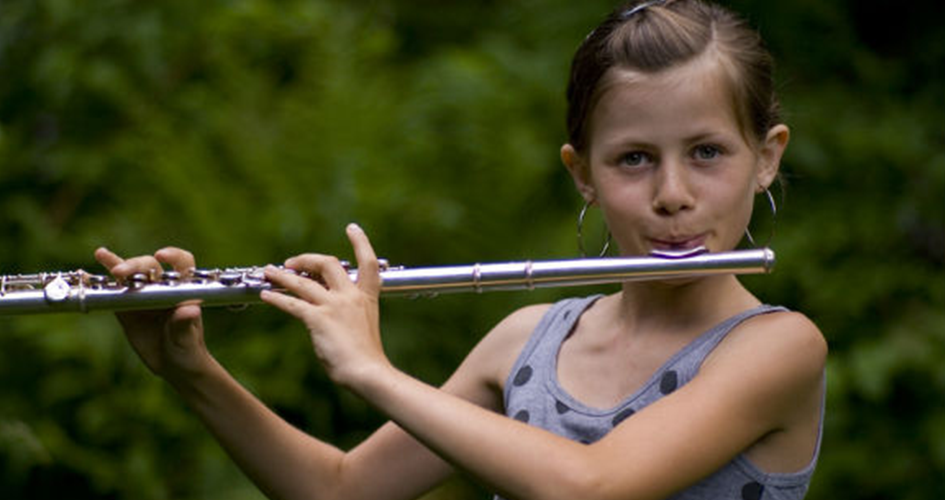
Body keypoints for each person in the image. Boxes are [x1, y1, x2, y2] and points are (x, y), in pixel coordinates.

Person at [94, 1, 827, 498]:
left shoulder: (778, 348)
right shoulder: (527, 343)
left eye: (707, 152)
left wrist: (369, 370)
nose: (673, 193)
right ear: (583, 176)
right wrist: (192, 373)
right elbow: (340, 489)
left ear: (765, 158)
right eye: (634, 159)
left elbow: (591, 487)